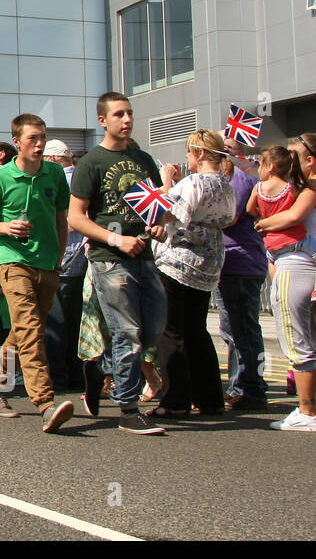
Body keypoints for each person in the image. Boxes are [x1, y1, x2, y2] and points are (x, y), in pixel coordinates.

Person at [69, 92, 169, 434]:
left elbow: (158, 208)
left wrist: (159, 224)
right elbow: (75, 218)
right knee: (128, 333)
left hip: (145, 256)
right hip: (110, 260)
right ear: (103, 121)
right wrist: (115, 239)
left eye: (129, 114)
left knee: (152, 329)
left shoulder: (142, 159)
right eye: (118, 115)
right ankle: (128, 409)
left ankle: (100, 369)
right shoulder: (91, 163)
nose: (126, 120)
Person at [0, 114, 74, 431]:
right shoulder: (0, 178)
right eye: (33, 138)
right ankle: (45, 403)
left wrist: (58, 261)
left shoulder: (55, 174)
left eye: (43, 137)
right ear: (17, 141)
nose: (40, 143)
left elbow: (62, 220)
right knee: (31, 330)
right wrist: (6, 227)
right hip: (12, 260)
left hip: (48, 265)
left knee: (23, 331)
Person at [149, 130, 236, 418]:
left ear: (199, 154)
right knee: (197, 329)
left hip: (179, 260)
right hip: (209, 260)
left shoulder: (194, 182)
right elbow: (229, 218)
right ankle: (210, 398)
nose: (186, 158)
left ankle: (175, 400)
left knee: (171, 329)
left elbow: (169, 214)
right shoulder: (225, 184)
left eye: (189, 152)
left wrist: (165, 183)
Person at [252, 136, 316, 431]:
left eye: (294, 156)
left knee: (296, 338)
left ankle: (307, 412)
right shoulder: (299, 189)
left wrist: (265, 223)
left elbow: (293, 215)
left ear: (310, 160)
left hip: (296, 263)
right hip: (292, 262)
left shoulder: (308, 190)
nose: (289, 161)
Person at [216, 138, 269, 411]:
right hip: (232, 264)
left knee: (243, 331)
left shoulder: (239, 179)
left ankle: (252, 388)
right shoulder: (230, 179)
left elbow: (228, 217)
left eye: (227, 150)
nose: (222, 154)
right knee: (233, 331)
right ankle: (241, 385)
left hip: (241, 264)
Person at [43, 139, 87, 392]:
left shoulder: (58, 182)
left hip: (62, 258)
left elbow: (69, 220)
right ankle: (76, 375)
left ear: (51, 160)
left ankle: (58, 375)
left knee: (56, 322)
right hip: (79, 260)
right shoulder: (81, 180)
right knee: (75, 322)